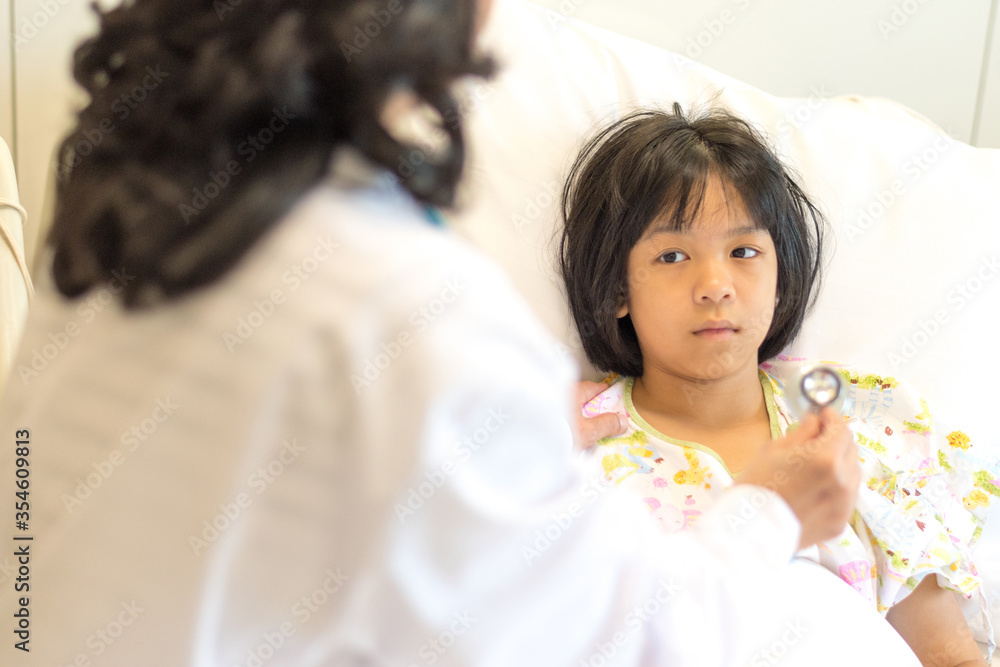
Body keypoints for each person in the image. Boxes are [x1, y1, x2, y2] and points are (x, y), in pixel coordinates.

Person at [0, 1, 926, 665]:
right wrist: (770, 511)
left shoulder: (120, 222)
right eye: (673, 255)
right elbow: (633, 643)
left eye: (745, 251)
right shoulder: (409, 317)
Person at [560, 105, 998, 666]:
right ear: (617, 289)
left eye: (744, 252)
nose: (715, 285)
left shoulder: (855, 425)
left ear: (780, 278)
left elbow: (950, 658)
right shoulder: (573, 448)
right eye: (672, 255)